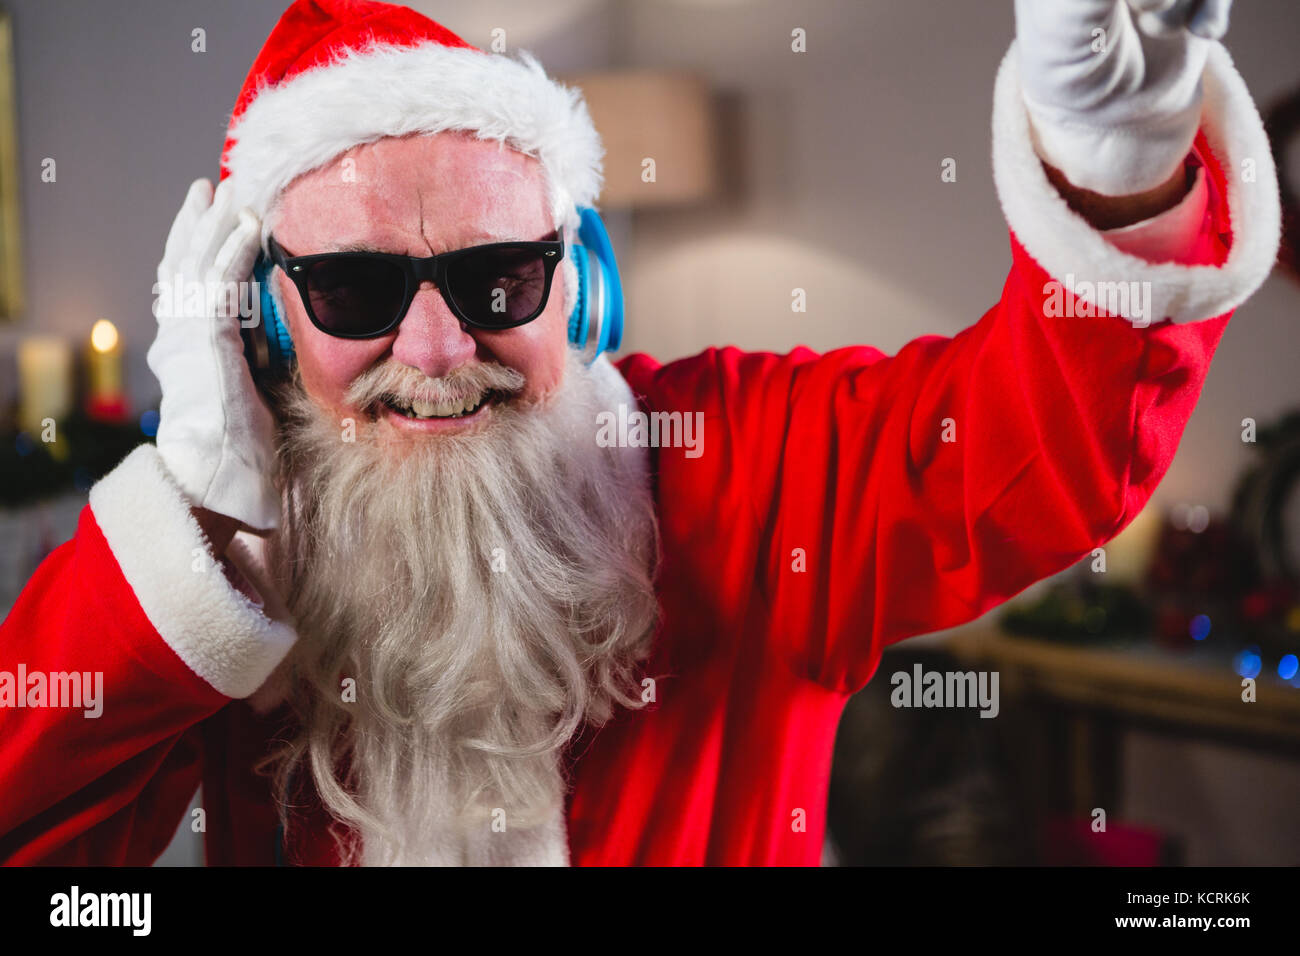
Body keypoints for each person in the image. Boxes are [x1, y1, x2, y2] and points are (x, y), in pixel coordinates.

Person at [0, 0, 1279, 865]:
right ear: (260, 318)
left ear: (579, 281)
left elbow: (1029, 448)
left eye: (500, 277)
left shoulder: (749, 468)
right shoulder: (226, 573)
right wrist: (195, 535)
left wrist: (1121, 162)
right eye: (355, 291)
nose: (439, 353)